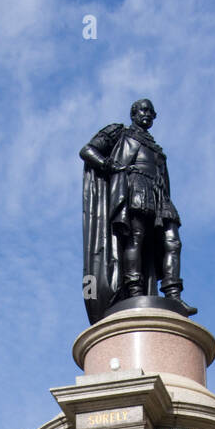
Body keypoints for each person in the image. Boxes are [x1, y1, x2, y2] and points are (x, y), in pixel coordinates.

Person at [80, 99, 195, 322]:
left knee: (172, 241)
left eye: (151, 112)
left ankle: (173, 294)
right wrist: (108, 165)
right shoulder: (119, 132)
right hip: (135, 187)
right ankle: (134, 290)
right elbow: (87, 150)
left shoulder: (157, 148)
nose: (148, 115)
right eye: (143, 110)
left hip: (159, 193)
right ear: (133, 113)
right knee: (135, 238)